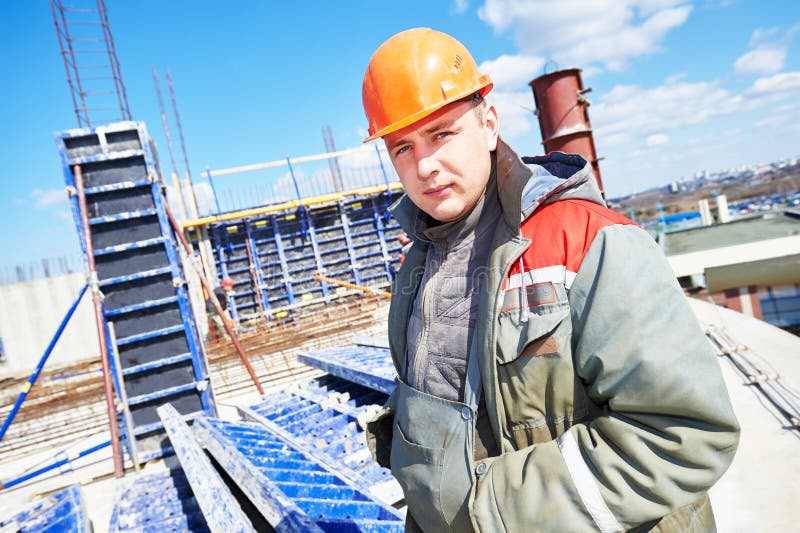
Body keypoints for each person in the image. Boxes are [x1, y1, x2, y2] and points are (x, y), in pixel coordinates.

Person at [362, 28, 739, 532]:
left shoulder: (588, 243)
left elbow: (683, 434)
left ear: (489, 124)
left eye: (442, 134)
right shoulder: (417, 271)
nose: (424, 166)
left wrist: (488, 506)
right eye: (402, 148)